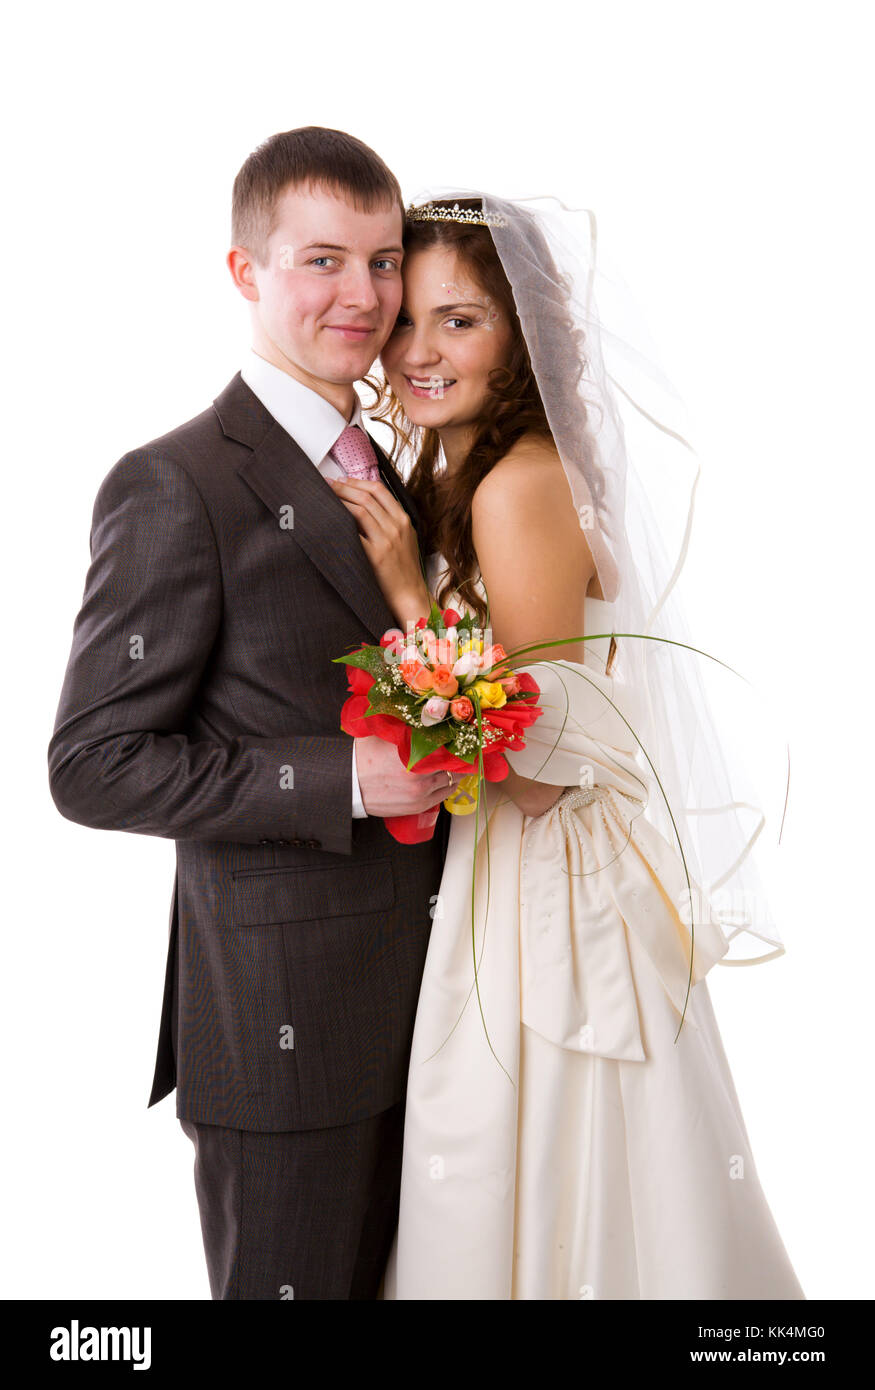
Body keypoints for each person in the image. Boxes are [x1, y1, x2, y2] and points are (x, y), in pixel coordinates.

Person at [329, 193, 806, 1299]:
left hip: (546, 878)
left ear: (524, 335)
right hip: (503, 865)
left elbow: (532, 754)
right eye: (409, 321)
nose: (419, 350)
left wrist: (406, 591)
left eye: (462, 321)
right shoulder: (465, 475)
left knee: (544, 1148)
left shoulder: (516, 481)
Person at [47, 126, 456, 1300]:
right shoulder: (175, 481)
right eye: (322, 260)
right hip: (286, 1037)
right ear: (246, 273)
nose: (364, 295)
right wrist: (341, 779)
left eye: (383, 262)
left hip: (428, 999)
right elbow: (94, 762)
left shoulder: (378, 461)